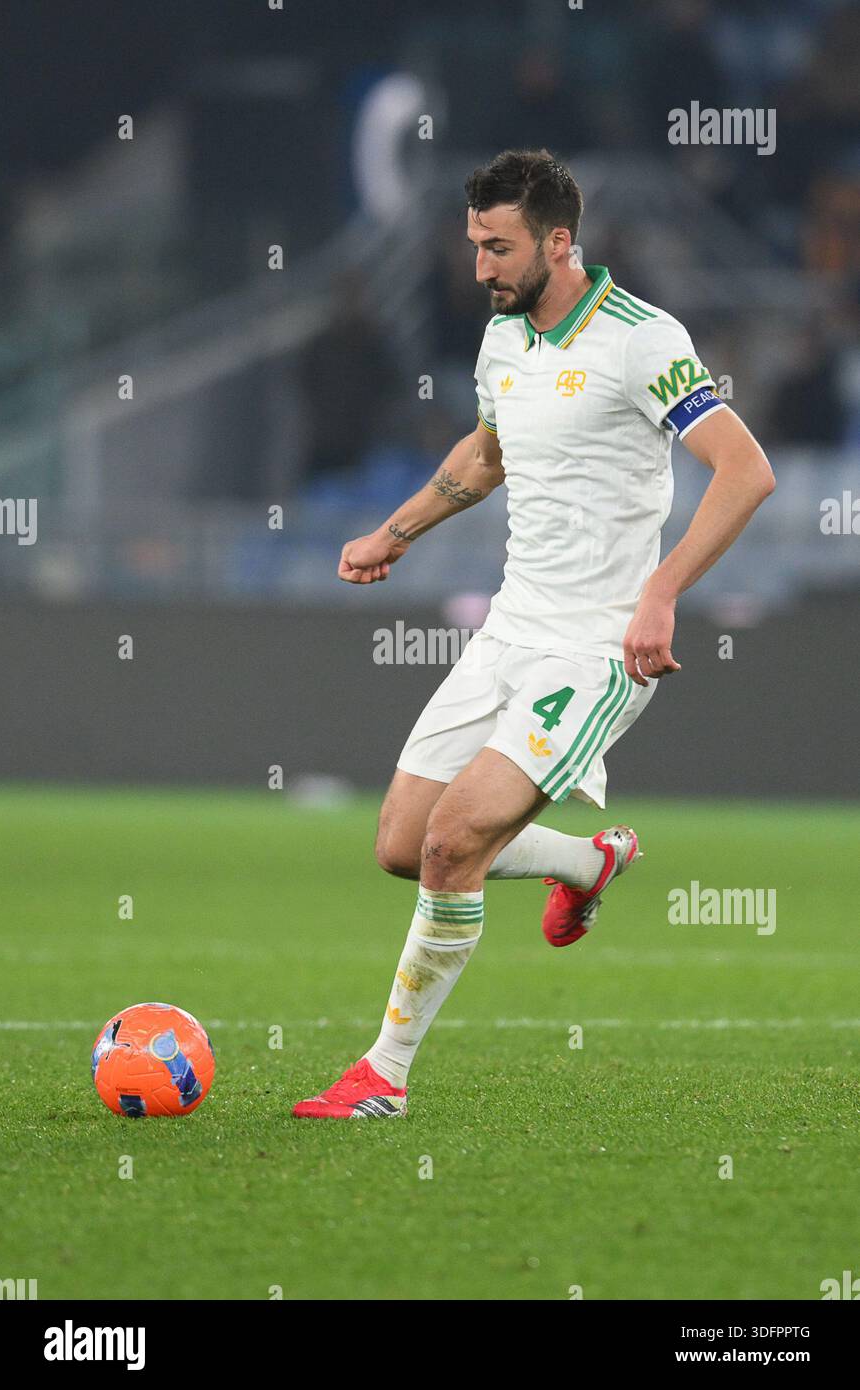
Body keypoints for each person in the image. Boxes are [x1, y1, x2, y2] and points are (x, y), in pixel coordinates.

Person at [293, 149, 774, 1120]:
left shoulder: (642, 339)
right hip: (510, 627)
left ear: (558, 242)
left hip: (598, 645)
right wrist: (393, 532)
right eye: (472, 246)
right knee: (399, 842)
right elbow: (488, 451)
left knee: (453, 842)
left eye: (497, 247)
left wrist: (661, 590)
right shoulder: (501, 339)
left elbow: (745, 469)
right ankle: (582, 860)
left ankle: (381, 1075)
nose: (479, 268)